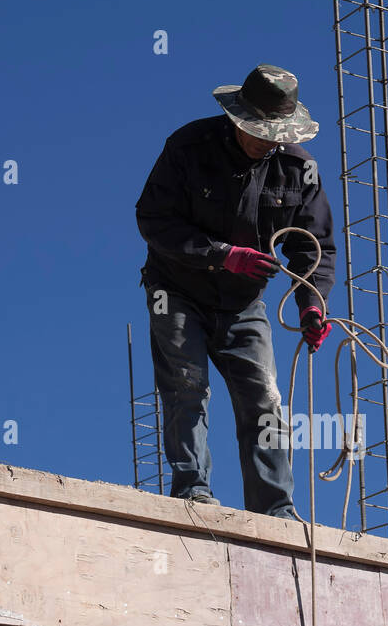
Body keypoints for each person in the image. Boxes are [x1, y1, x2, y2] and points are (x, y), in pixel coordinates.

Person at [135, 64, 336, 518]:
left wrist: (311, 305)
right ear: (237, 118)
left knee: (264, 399)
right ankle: (192, 490)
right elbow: (152, 218)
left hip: (244, 304)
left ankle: (275, 509)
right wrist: (221, 253)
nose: (267, 141)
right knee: (188, 387)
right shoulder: (188, 147)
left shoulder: (298, 169)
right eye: (259, 130)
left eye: (275, 133)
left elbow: (316, 248)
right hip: (177, 289)